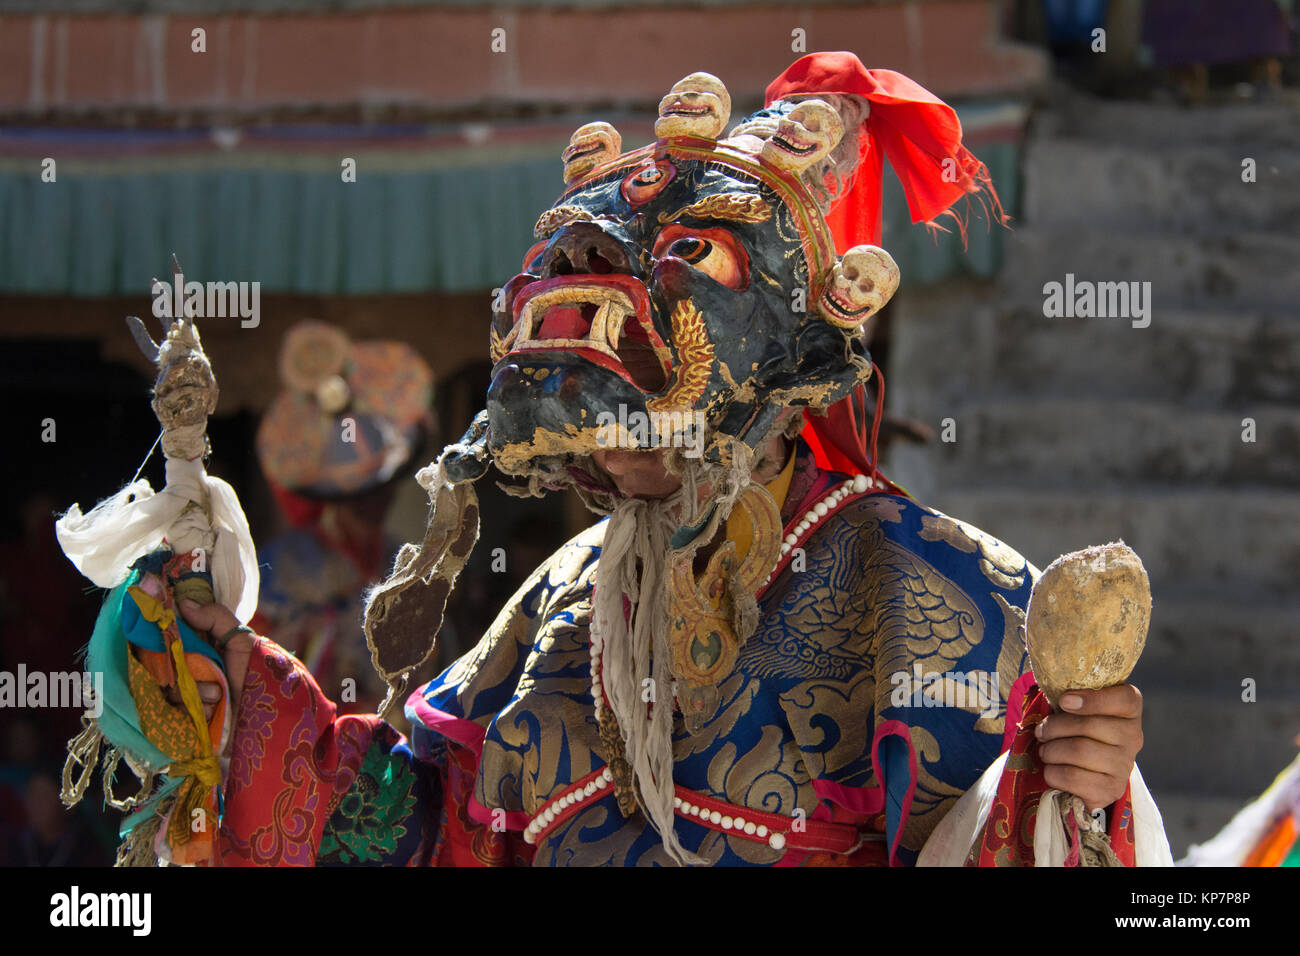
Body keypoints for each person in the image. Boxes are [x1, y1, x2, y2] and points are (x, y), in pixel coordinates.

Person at [153, 52, 1158, 866]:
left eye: (686, 257)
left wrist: (1078, 786)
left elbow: (1024, 838)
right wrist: (236, 690)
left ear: (795, 360)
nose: (594, 273)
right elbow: (416, 827)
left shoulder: (939, 598)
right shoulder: (564, 595)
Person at [251, 320, 435, 716]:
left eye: (381, 488)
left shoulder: (402, 559)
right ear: (333, 498)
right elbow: (253, 658)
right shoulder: (282, 564)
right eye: (359, 495)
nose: (375, 502)